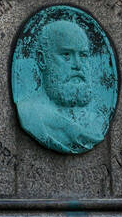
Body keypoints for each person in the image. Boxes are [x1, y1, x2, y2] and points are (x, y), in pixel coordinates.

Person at [15, 18, 109, 154]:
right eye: (66, 55)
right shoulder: (29, 113)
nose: (77, 65)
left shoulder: (98, 120)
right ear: (42, 60)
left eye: (83, 55)